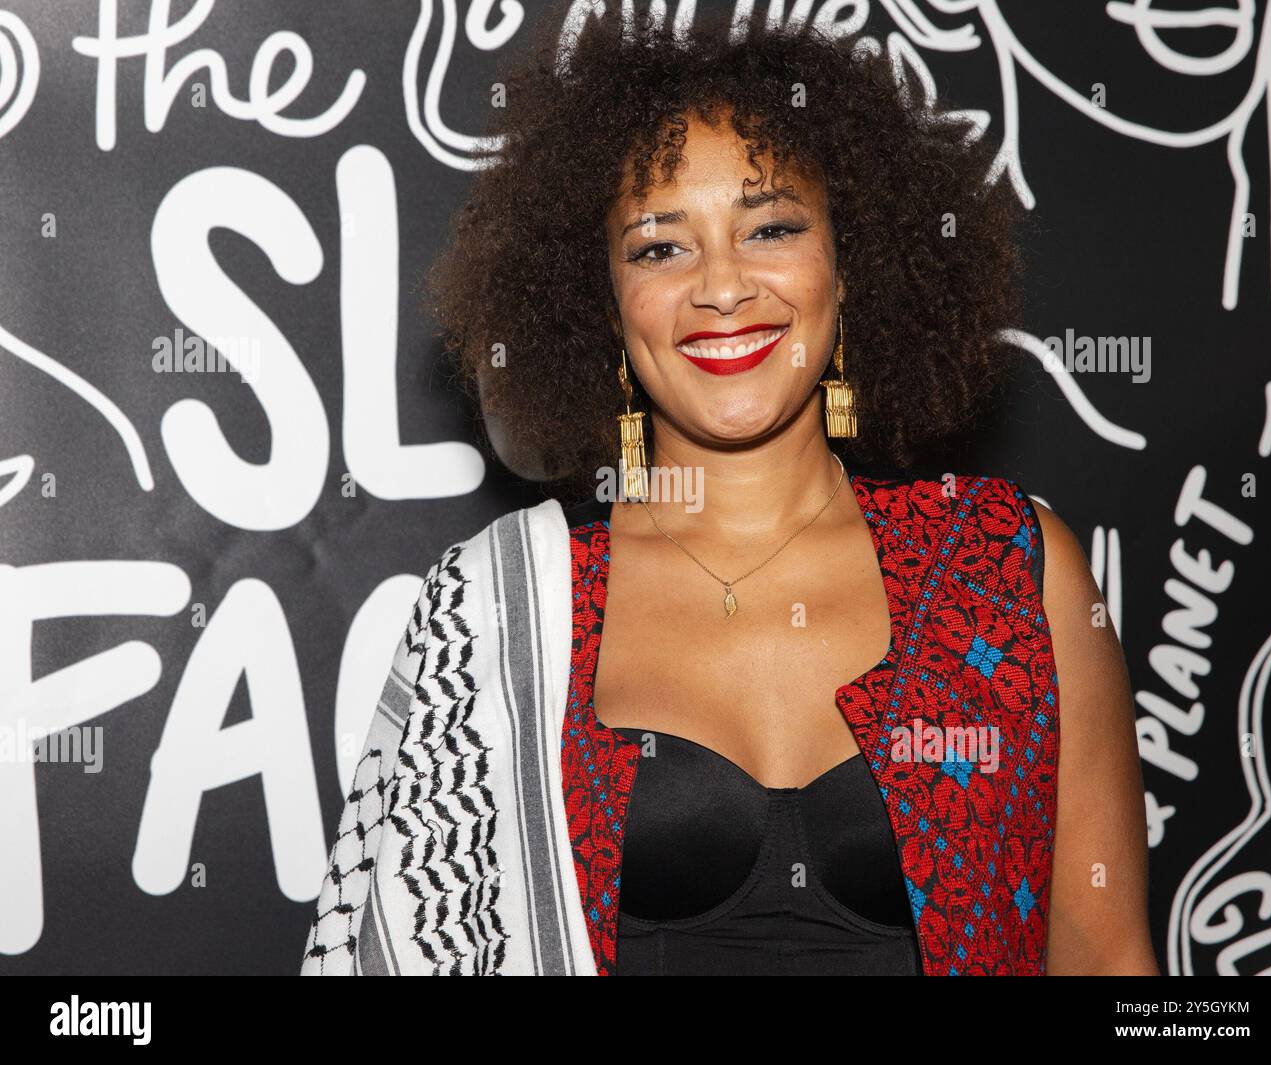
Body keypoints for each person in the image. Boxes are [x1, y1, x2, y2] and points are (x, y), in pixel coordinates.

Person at [301, 9, 1158, 976]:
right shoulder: (500, 611)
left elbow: (1113, 967)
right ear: (603, 301)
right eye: (661, 247)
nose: (721, 287)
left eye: (773, 227)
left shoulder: (1012, 567)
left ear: (852, 265)